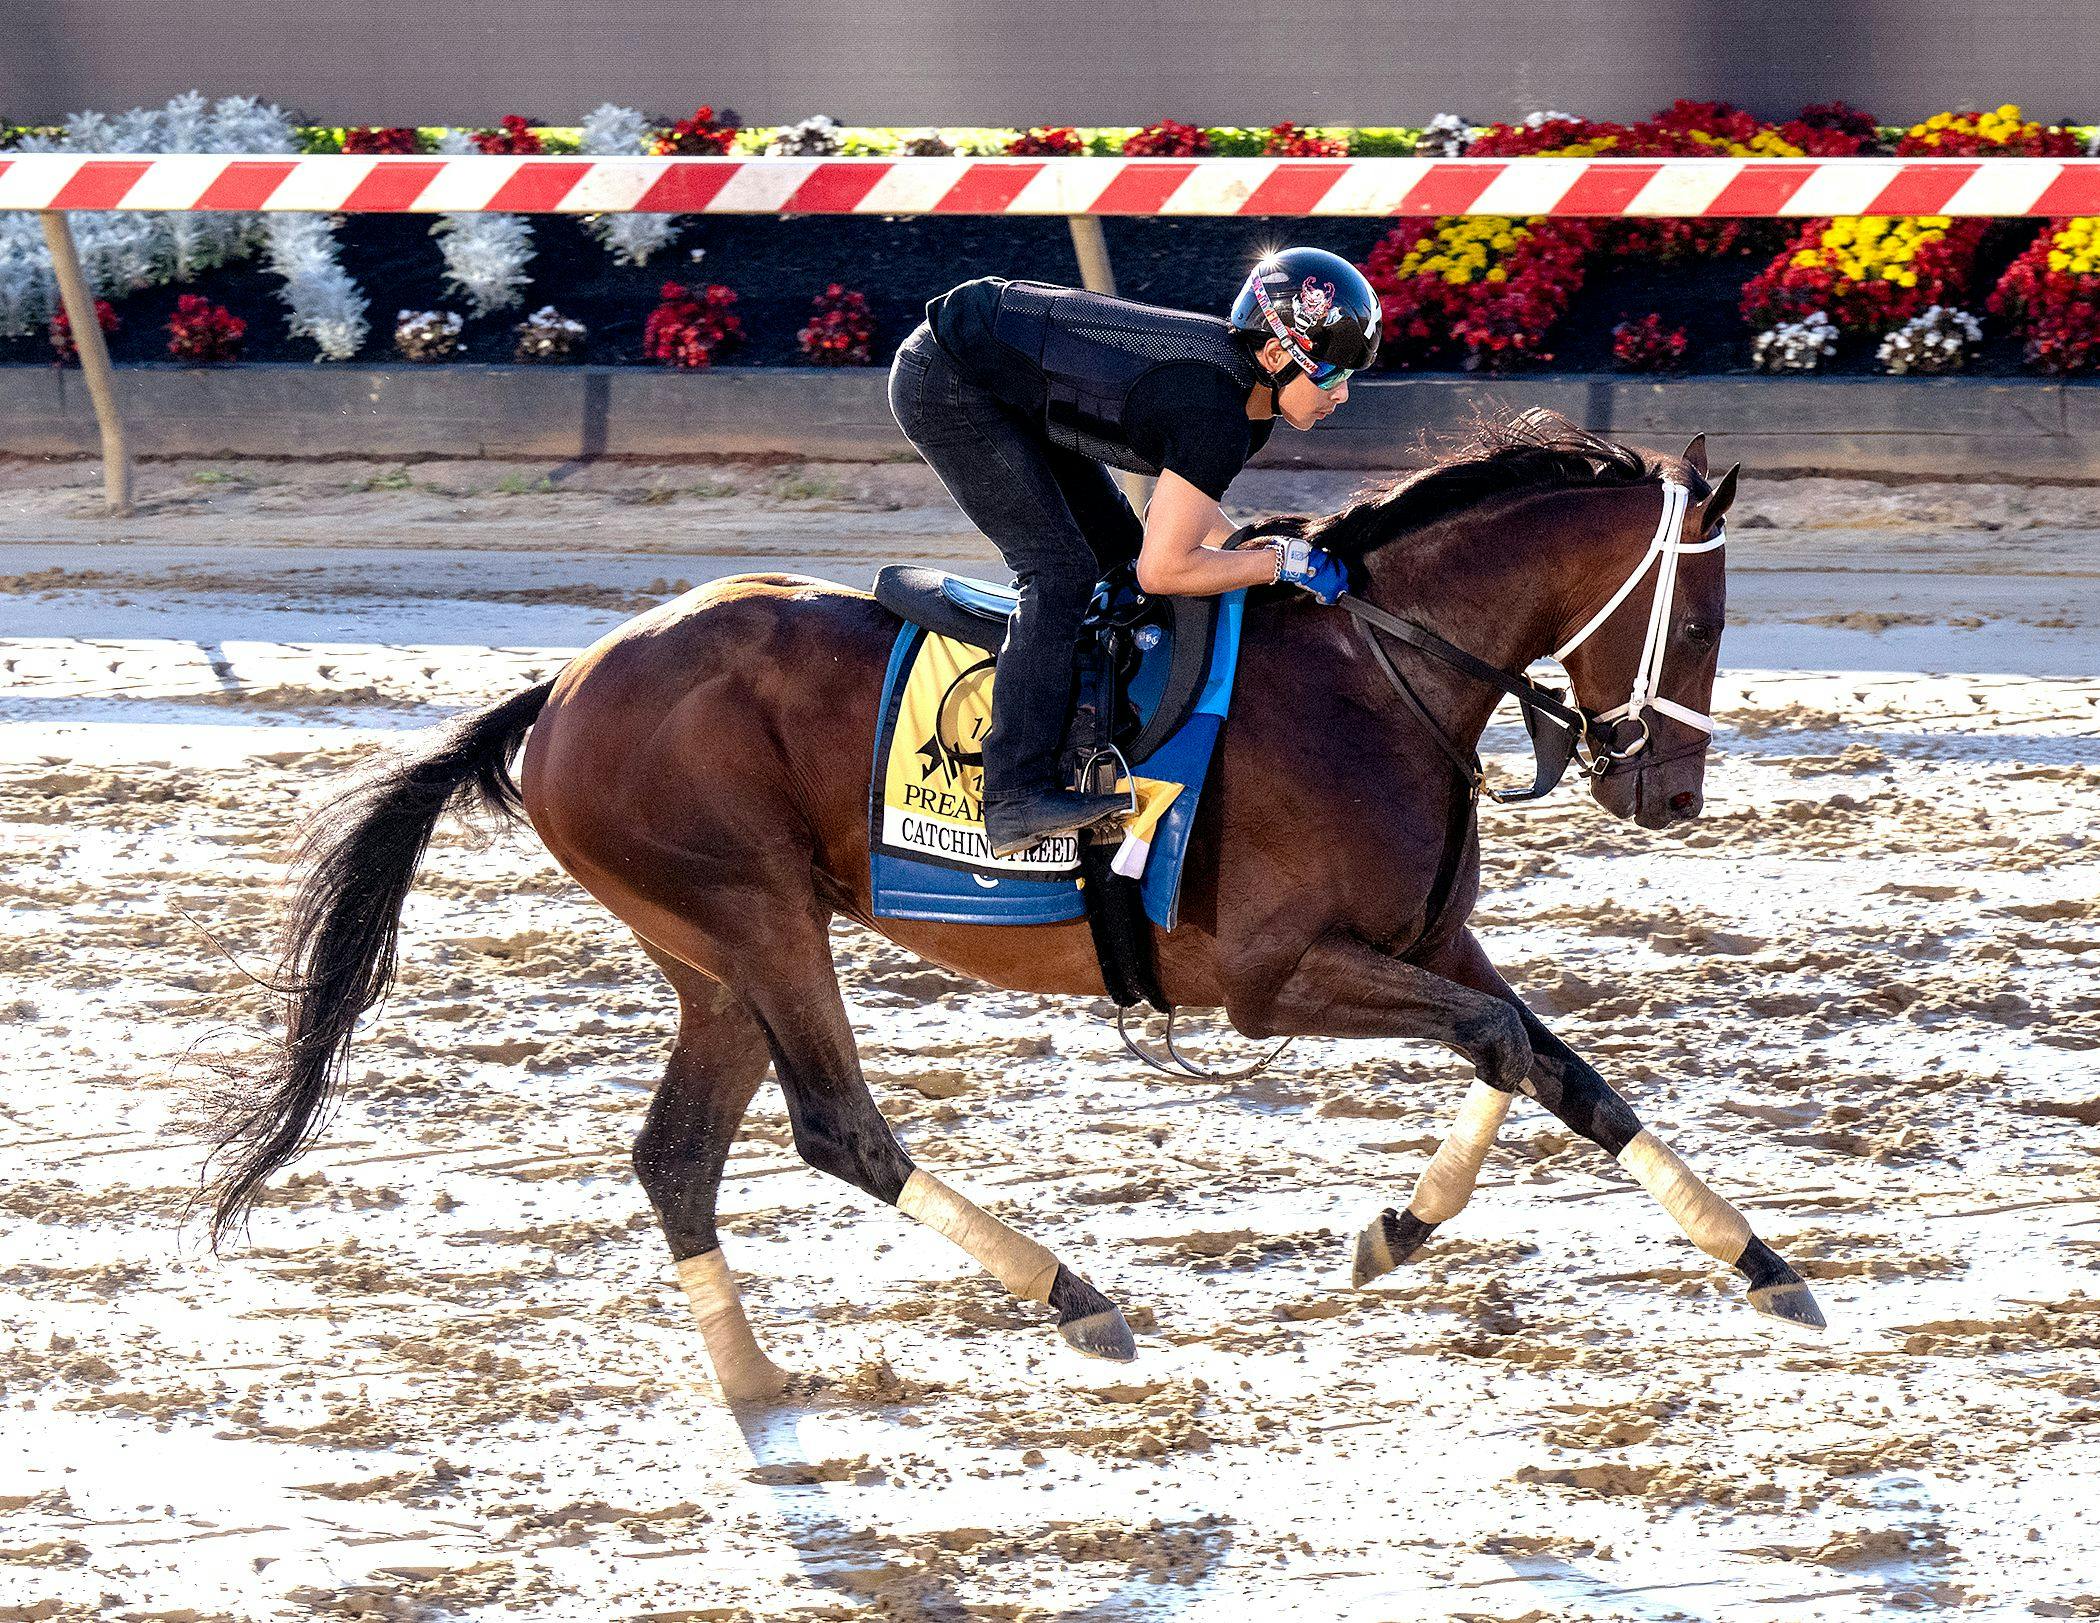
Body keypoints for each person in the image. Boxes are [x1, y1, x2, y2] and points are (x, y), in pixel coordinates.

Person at [887, 245, 1380, 859]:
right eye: (1332, 375)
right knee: (1062, 574)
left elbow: (1173, 524)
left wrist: (1251, 552)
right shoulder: (1219, 417)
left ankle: (1080, 718)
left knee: (1114, 558)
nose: (1344, 395)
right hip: (951, 380)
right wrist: (1283, 561)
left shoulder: (1247, 410)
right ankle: (1014, 795)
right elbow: (1167, 567)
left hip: (1015, 387)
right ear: (1278, 355)